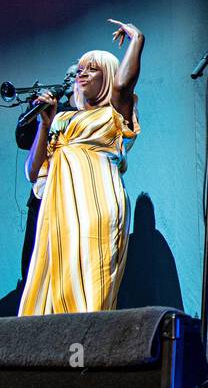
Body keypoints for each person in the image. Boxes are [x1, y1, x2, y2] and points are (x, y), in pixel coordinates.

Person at [18, 21, 143, 316]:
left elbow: (124, 86)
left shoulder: (113, 114)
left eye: (92, 69)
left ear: (108, 76)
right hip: (57, 212)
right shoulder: (61, 119)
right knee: (51, 292)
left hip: (96, 209)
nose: (82, 74)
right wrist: (44, 125)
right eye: (80, 69)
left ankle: (90, 358)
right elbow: (33, 173)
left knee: (91, 292)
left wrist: (137, 39)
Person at [14, 63, 78, 296]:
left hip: (70, 198)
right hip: (41, 195)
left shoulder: (88, 114)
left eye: (78, 74)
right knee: (31, 260)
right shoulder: (52, 110)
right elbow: (22, 139)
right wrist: (34, 112)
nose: (71, 78)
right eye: (68, 75)